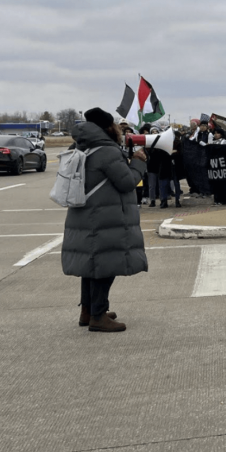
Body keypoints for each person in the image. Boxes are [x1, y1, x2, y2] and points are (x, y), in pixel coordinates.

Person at [63, 108, 148, 333]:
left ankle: (88, 311)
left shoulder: (80, 146)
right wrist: (138, 162)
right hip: (104, 216)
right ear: (108, 127)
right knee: (104, 264)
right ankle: (98, 316)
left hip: (84, 213)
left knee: (90, 265)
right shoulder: (107, 151)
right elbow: (127, 182)